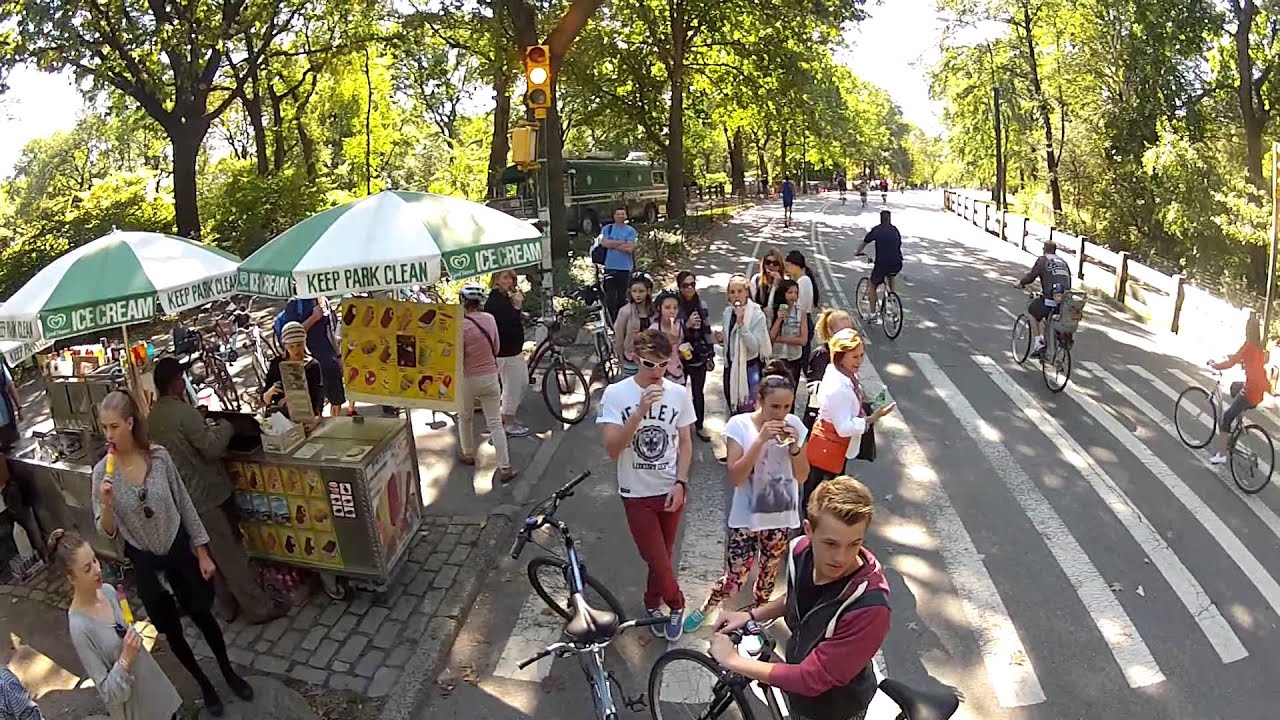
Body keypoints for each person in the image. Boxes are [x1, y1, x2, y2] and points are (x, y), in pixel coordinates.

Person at [91, 390, 251, 716]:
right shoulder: (101, 474)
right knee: (173, 631)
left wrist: (203, 551)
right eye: (104, 428)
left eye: (114, 426)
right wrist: (107, 504)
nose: (108, 435)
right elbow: (105, 531)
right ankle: (204, 685)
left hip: (178, 549)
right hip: (146, 561)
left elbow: (185, 504)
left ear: (131, 423)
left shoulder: (159, 458)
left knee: (203, 615)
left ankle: (227, 671)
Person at [711, 476, 889, 720]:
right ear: (809, 531)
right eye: (830, 543)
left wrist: (732, 660)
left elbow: (811, 679)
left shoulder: (870, 608)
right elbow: (794, 597)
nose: (841, 557)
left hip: (836, 709)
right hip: (798, 684)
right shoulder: (800, 552)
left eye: (854, 544)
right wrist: (751, 615)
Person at [148, 357, 287, 625]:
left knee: (209, 557)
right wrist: (226, 425)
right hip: (206, 494)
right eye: (182, 380)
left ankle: (226, 607)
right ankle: (258, 609)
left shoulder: (153, 417)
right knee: (230, 555)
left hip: (183, 499)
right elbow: (211, 448)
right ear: (176, 383)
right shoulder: (183, 412)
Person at [683, 362, 808, 633]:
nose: (782, 414)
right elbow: (736, 476)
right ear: (759, 400)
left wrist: (796, 448)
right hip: (746, 517)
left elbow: (802, 476)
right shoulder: (739, 425)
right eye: (775, 407)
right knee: (735, 576)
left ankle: (756, 619)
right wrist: (761, 440)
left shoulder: (795, 426)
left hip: (781, 514)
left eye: (787, 407)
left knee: (767, 576)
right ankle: (708, 606)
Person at [597, 329, 694, 641]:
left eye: (664, 365)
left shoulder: (678, 393)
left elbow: (686, 442)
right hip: (635, 491)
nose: (657, 373)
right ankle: (677, 604)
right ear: (635, 358)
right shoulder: (616, 394)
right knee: (654, 555)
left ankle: (653, 603)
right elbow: (612, 449)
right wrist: (639, 411)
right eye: (650, 364)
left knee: (662, 555)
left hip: (668, 486)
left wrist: (681, 482)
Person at [51, 529, 180, 720]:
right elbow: (108, 694)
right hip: (138, 709)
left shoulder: (108, 591)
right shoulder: (80, 628)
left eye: (95, 560)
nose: (97, 570)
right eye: (87, 569)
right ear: (71, 578)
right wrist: (125, 659)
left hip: (154, 688)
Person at [805, 330, 895, 513]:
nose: (859, 360)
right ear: (840, 356)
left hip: (832, 447)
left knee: (819, 495)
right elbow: (844, 428)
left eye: (861, 355)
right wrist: (871, 418)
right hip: (830, 447)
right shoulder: (839, 387)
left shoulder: (839, 372)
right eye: (854, 356)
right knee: (821, 499)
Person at [457, 284, 517, 484]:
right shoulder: (490, 319)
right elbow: (497, 347)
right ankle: (505, 466)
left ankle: (468, 453)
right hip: (490, 377)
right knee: (495, 424)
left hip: (467, 378)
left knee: (465, 417)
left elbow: (458, 355)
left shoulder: (459, 325)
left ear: (462, 302)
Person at [1208, 315, 1267, 465]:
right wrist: (1234, 358)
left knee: (1227, 417)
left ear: (1248, 330)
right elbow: (1242, 359)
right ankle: (1238, 421)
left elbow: (1232, 362)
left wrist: (1216, 365)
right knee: (1234, 386)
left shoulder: (1248, 346)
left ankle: (1221, 455)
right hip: (1259, 390)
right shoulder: (1259, 348)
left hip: (1250, 392)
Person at [277, 296, 346, 416]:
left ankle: (334, 424)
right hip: (306, 360)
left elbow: (330, 331)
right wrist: (313, 318)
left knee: (336, 398)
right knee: (314, 402)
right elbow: (291, 335)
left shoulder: (323, 300)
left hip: (328, 359)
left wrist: (339, 356)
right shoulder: (295, 304)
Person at [484, 270, 532, 438]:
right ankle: (508, 423)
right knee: (514, 386)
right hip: (506, 351)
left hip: (514, 350)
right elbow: (506, 325)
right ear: (496, 280)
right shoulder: (495, 301)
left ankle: (507, 416)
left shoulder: (505, 298)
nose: (510, 281)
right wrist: (517, 308)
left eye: (511, 277)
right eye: (505, 277)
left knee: (521, 383)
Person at [718, 275, 772, 414]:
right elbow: (730, 340)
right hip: (731, 366)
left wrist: (742, 324)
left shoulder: (756, 314)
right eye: (732, 292)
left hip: (749, 368)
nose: (736, 295)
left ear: (747, 292)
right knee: (732, 406)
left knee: (748, 408)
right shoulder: (727, 313)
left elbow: (754, 347)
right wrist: (721, 338)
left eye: (740, 291)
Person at [260, 321, 326, 420]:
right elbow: (264, 398)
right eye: (291, 346)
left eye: (299, 345)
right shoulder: (277, 364)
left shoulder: (313, 365)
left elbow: (318, 397)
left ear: (304, 342)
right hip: (280, 416)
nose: (296, 350)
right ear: (285, 346)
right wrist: (269, 393)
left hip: (305, 416)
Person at [676, 272, 714, 442]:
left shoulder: (701, 304)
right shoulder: (675, 305)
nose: (690, 288)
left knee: (698, 392)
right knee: (678, 392)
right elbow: (670, 330)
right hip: (679, 355)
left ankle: (699, 426)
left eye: (692, 284)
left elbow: (707, 328)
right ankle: (678, 426)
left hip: (698, 353)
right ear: (679, 287)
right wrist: (687, 325)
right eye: (685, 285)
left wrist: (710, 354)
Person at [1015, 240, 1072, 355]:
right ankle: (1057, 339)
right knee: (1047, 315)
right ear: (1055, 250)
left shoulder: (1043, 260)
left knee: (1032, 312)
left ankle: (1038, 343)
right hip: (1065, 297)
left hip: (1051, 296)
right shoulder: (1063, 262)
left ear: (1044, 249)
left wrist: (1021, 283)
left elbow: (1031, 276)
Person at [803, 310, 854, 430]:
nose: (846, 337)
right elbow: (813, 386)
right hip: (821, 417)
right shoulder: (821, 354)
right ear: (830, 332)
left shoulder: (850, 354)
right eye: (840, 332)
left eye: (850, 332)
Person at [854, 210, 904, 324]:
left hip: (882, 263)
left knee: (872, 285)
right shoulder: (895, 230)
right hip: (897, 262)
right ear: (890, 219)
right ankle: (892, 299)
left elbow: (865, 242)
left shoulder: (877, 229)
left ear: (881, 219)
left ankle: (872, 314)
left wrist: (857, 252)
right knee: (891, 276)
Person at [598, 207, 638, 321]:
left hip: (624, 268)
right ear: (614, 216)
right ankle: (611, 319)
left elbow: (629, 248)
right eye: (618, 214)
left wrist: (613, 244)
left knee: (622, 296)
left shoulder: (630, 231)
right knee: (610, 296)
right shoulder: (607, 229)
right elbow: (604, 243)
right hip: (609, 267)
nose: (620, 216)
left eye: (622, 214)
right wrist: (622, 242)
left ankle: (623, 319)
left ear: (626, 216)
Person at [613, 272, 656, 377]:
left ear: (648, 291)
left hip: (652, 357)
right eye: (634, 291)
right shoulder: (625, 311)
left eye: (641, 291)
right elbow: (619, 337)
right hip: (631, 357)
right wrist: (620, 358)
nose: (637, 295)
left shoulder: (655, 310)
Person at [784, 250, 819, 376]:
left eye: (788, 266)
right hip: (804, 321)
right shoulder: (804, 279)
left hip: (802, 321)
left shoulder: (802, 281)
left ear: (795, 265)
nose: (786, 269)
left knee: (801, 360)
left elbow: (799, 306)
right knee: (802, 359)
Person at [770, 279, 809, 388]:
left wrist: (780, 338)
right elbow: (770, 337)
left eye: (796, 293)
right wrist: (778, 319)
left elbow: (803, 340)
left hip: (793, 359)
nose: (793, 296)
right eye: (790, 292)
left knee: (790, 391)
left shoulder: (801, 312)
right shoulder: (771, 311)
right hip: (776, 358)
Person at [651, 291, 685, 384]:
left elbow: (680, 350)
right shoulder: (654, 329)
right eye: (667, 307)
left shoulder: (679, 326)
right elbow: (651, 354)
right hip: (660, 375)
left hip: (678, 372)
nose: (672, 311)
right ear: (659, 308)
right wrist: (668, 343)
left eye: (675, 308)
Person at [749, 250, 786, 320]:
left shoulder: (785, 282)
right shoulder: (756, 279)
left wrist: (779, 285)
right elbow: (751, 302)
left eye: (775, 263)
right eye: (768, 262)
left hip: (777, 323)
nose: (771, 266)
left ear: (780, 266)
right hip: (758, 320)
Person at [0, 361, 22, 453]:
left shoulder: (1, 366)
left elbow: (10, 385)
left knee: (13, 448)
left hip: (6, 415)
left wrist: (19, 407)